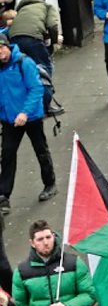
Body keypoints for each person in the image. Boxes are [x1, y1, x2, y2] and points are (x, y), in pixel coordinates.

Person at [0, 37, 56, 209]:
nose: (0, 53)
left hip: (30, 117)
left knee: (41, 150)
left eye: (1, 48)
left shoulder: (24, 63)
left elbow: (36, 88)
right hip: (9, 119)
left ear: (7, 46)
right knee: (7, 154)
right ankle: (4, 195)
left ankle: (50, 184)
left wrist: (25, 112)